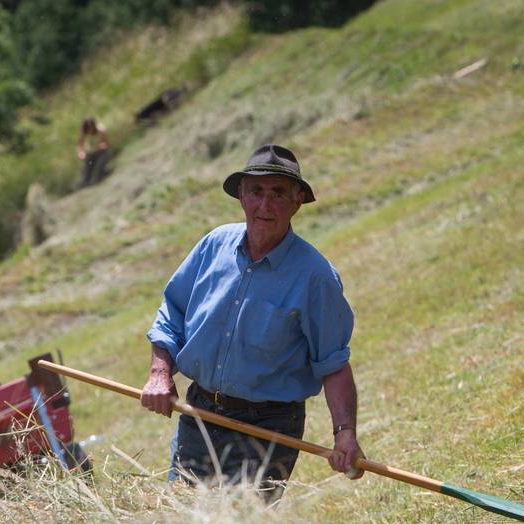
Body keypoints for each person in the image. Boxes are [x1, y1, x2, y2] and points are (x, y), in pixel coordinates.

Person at [140, 143, 364, 501]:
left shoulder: (315, 276)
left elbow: (333, 363)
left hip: (268, 428)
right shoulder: (213, 246)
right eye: (256, 191)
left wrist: (345, 433)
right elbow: (172, 315)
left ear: (298, 201)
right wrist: (159, 372)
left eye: (278, 193)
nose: (265, 204)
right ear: (241, 195)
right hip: (199, 414)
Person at [76, 117, 111, 188]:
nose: (90, 129)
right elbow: (80, 145)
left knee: (99, 167)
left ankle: (100, 178)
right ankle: (85, 183)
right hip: (90, 154)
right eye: (87, 127)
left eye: (91, 126)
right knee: (87, 170)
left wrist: (102, 146)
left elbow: (107, 144)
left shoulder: (101, 130)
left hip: (102, 152)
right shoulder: (83, 133)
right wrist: (81, 153)